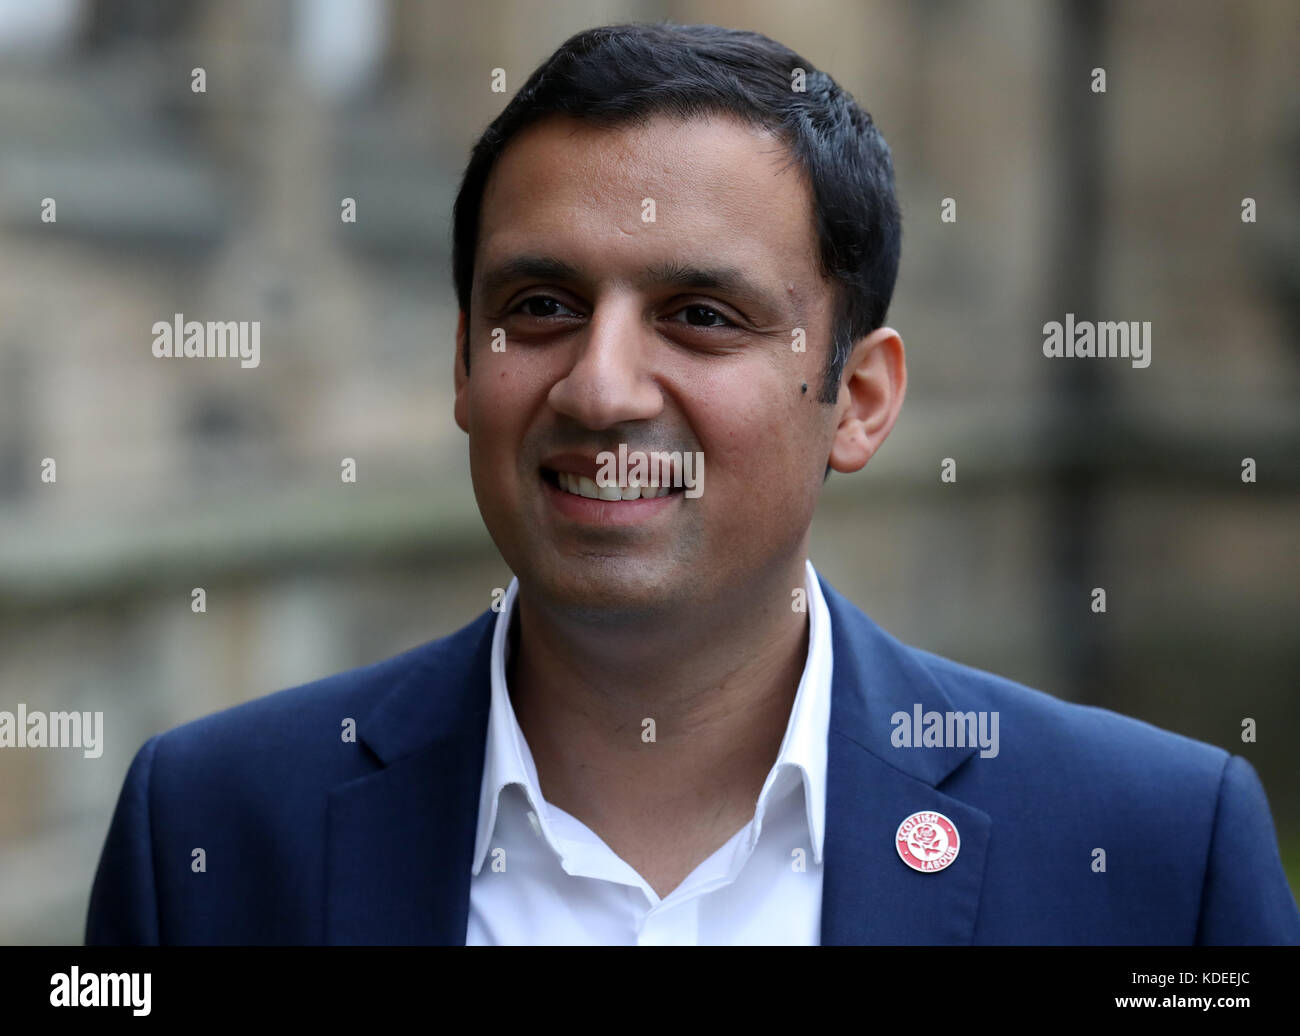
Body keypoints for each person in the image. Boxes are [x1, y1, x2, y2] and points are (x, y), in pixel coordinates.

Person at [86, 21, 1299, 945]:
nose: (602, 387)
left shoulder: (1148, 856)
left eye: (701, 316)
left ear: (859, 399)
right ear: (464, 362)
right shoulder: (209, 831)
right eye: (543, 307)